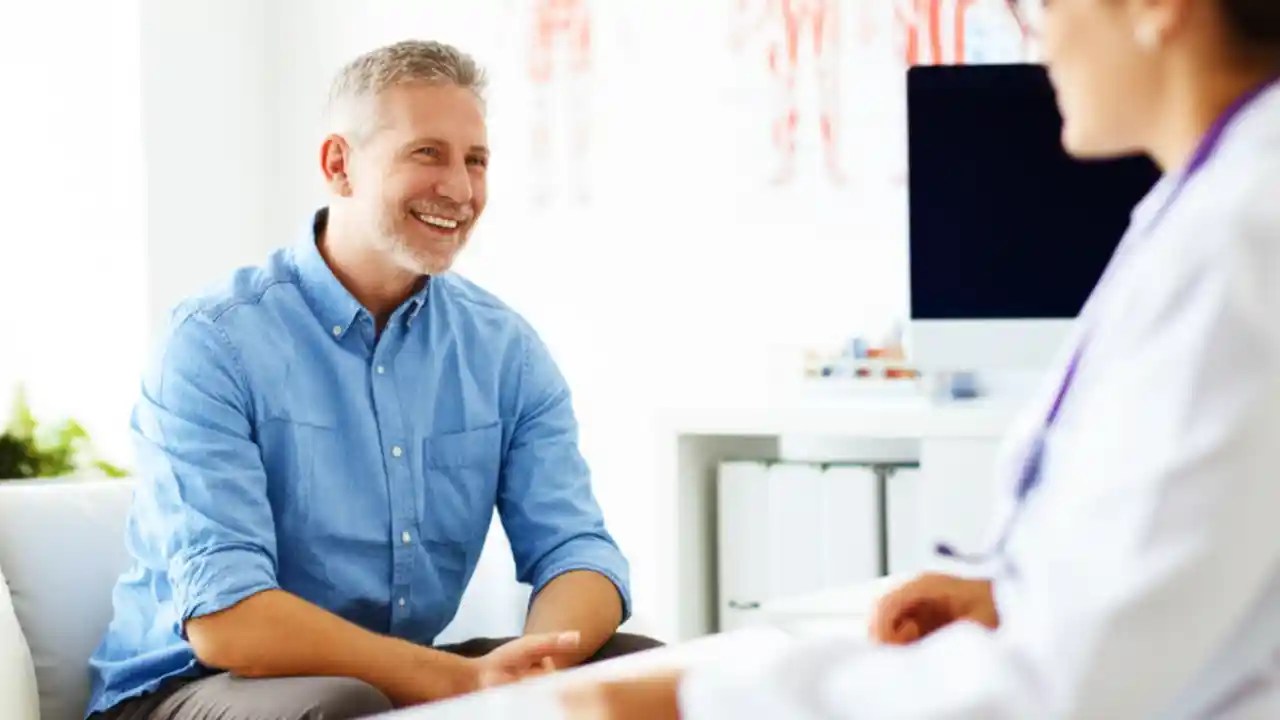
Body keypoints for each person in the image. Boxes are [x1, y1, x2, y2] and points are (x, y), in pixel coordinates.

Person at [563, 0, 1280, 716]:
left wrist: (697, 702)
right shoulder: (1220, 205)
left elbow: (1066, 689)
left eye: (1044, 4)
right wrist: (1011, 595)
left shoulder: (1242, 238)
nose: (1038, 36)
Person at [87, 39, 658, 720]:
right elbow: (227, 620)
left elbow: (577, 549)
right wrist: (454, 682)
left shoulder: (503, 349)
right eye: (428, 153)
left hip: (390, 676)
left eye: (475, 160)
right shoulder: (213, 343)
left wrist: (535, 667)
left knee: (637, 665)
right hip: (187, 687)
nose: (461, 188)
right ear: (339, 165)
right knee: (341, 703)